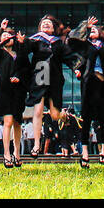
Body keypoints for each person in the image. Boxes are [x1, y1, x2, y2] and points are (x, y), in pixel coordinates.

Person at [21, 14, 80, 158]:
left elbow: (69, 57)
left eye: (49, 23)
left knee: (54, 114)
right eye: (44, 23)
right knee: (38, 111)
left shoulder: (58, 43)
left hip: (54, 77)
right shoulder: (35, 40)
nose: (46, 24)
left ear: (54, 29)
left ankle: (63, 115)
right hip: (40, 74)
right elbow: (23, 51)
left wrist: (76, 68)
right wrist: (22, 42)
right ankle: (36, 145)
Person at [67, 15, 104, 167]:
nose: (92, 31)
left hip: (102, 82)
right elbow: (71, 40)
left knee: (102, 117)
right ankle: (85, 153)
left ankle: (103, 150)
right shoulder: (84, 45)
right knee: (86, 117)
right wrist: (85, 26)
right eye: (90, 30)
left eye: (95, 29)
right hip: (88, 81)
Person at [0, 19, 29, 168]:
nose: (6, 38)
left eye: (8, 36)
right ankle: (6, 154)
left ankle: (17, 153)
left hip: (18, 92)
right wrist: (0, 30)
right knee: (8, 122)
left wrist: (19, 78)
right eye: (3, 37)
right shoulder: (0, 53)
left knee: (18, 122)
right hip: (4, 92)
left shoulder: (20, 53)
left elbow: (26, 69)